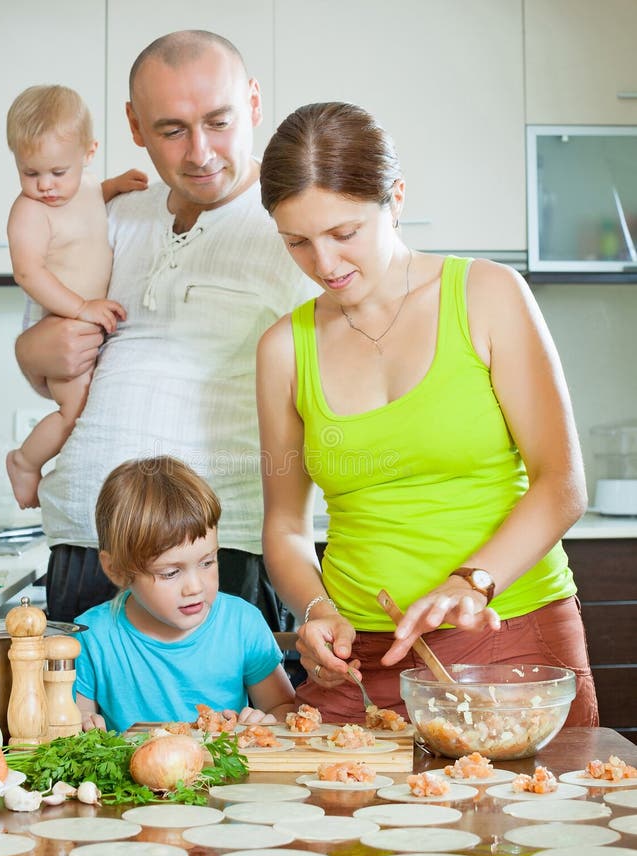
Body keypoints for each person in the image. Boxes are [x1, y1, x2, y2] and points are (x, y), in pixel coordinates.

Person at [256, 101, 599, 726]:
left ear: (396, 199)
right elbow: (284, 527)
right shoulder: (284, 349)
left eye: (345, 233)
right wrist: (314, 610)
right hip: (356, 661)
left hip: (509, 636)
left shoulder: (488, 295)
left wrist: (473, 582)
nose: (324, 264)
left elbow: (562, 484)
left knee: (527, 822)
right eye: (298, 243)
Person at [13, 32, 315, 624]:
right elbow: (38, 364)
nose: (200, 152)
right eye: (172, 130)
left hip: (221, 554)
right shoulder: (112, 214)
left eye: (219, 122)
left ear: (254, 104)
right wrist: (33, 350)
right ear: (133, 124)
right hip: (84, 540)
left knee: (230, 722)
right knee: (76, 721)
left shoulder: (297, 230)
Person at [74, 455, 295, 733]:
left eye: (207, 562)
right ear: (116, 569)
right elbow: (72, 725)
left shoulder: (242, 624)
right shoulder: (89, 637)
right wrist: (80, 726)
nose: (195, 587)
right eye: (170, 573)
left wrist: (268, 721)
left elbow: (284, 709)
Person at [4, 84, 148, 509]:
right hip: (55, 322)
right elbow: (28, 271)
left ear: (89, 152)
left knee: (89, 407)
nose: (46, 186)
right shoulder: (29, 211)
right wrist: (81, 308)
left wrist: (114, 185)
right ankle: (26, 462)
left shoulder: (83, 185)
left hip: (83, 324)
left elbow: (88, 201)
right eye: (30, 174)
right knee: (75, 412)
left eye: (57, 172)